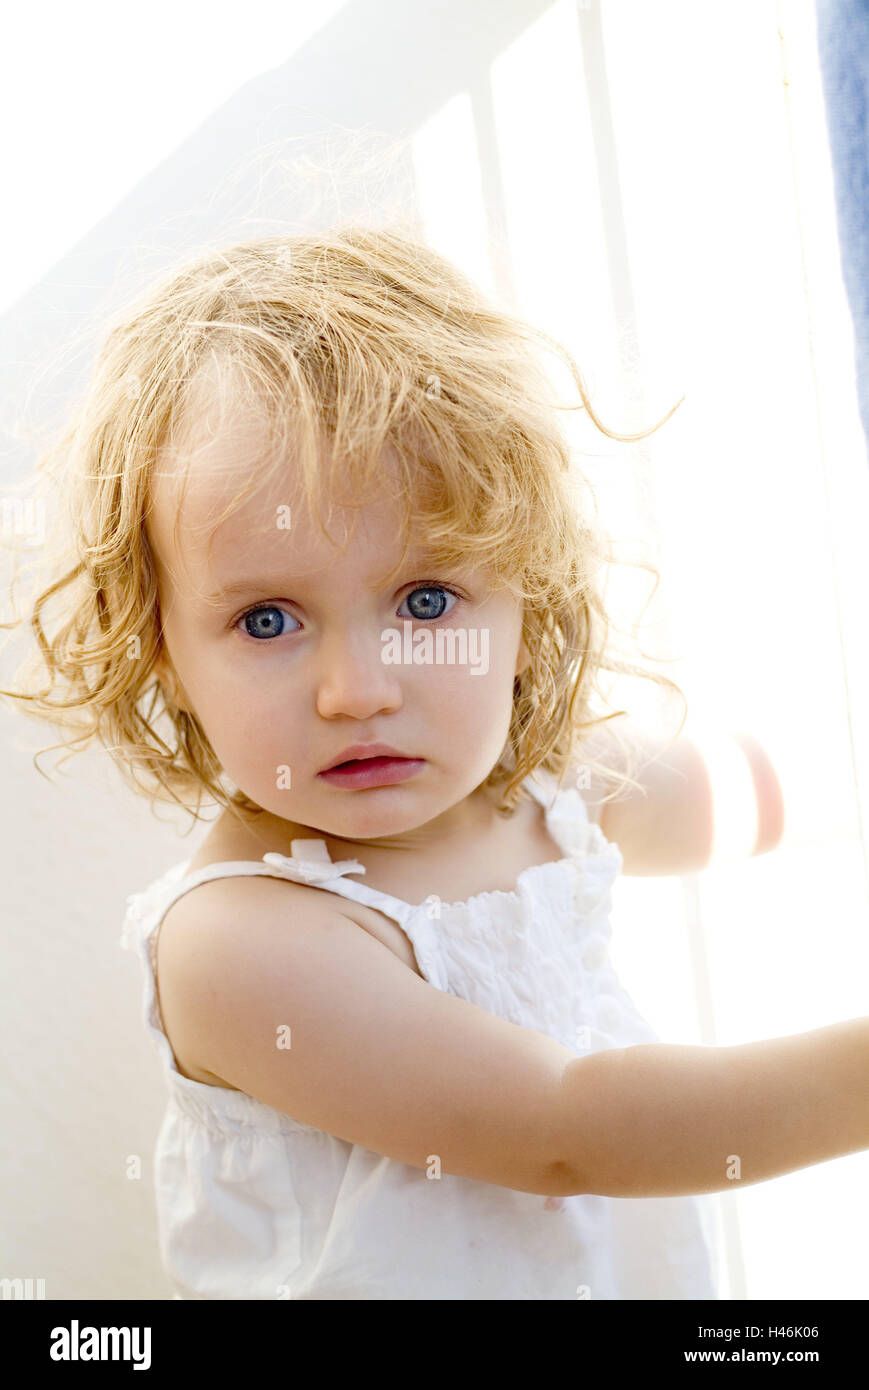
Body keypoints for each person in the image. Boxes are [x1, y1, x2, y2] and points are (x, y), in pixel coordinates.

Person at [3, 225, 866, 1300]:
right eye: (268, 618)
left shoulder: (551, 787)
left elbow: (746, 799)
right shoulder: (244, 942)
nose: (356, 688)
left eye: (422, 601)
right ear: (163, 649)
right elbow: (565, 1134)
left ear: (523, 599)